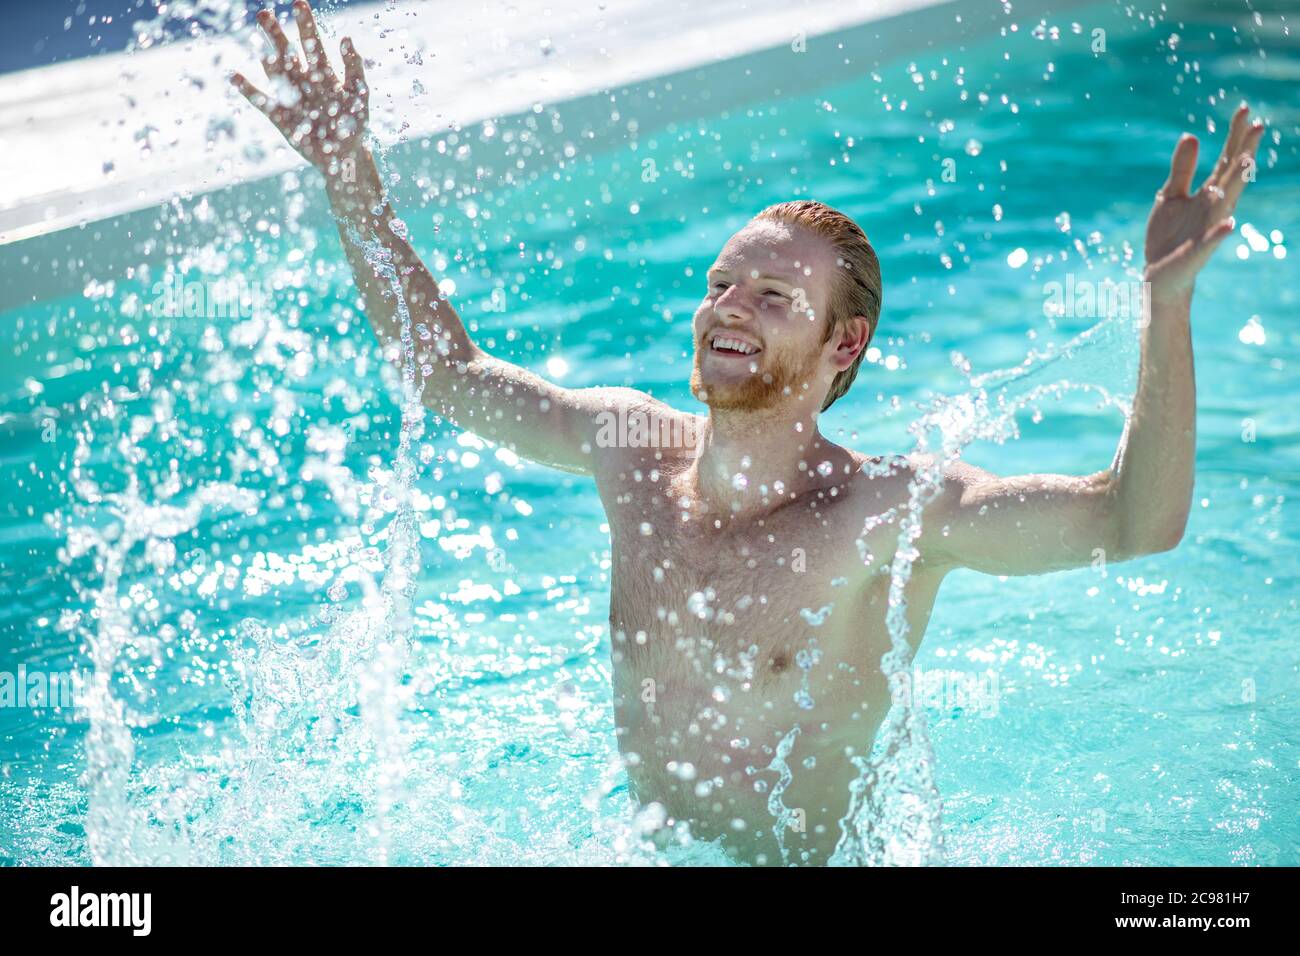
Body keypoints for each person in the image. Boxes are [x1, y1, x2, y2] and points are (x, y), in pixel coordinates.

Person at [232, 0, 1263, 864]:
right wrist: (345, 173)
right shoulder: (626, 449)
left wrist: (1162, 314)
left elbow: (1132, 521)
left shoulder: (888, 515)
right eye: (722, 283)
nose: (729, 307)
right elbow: (444, 371)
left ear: (841, 344)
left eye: (773, 295)